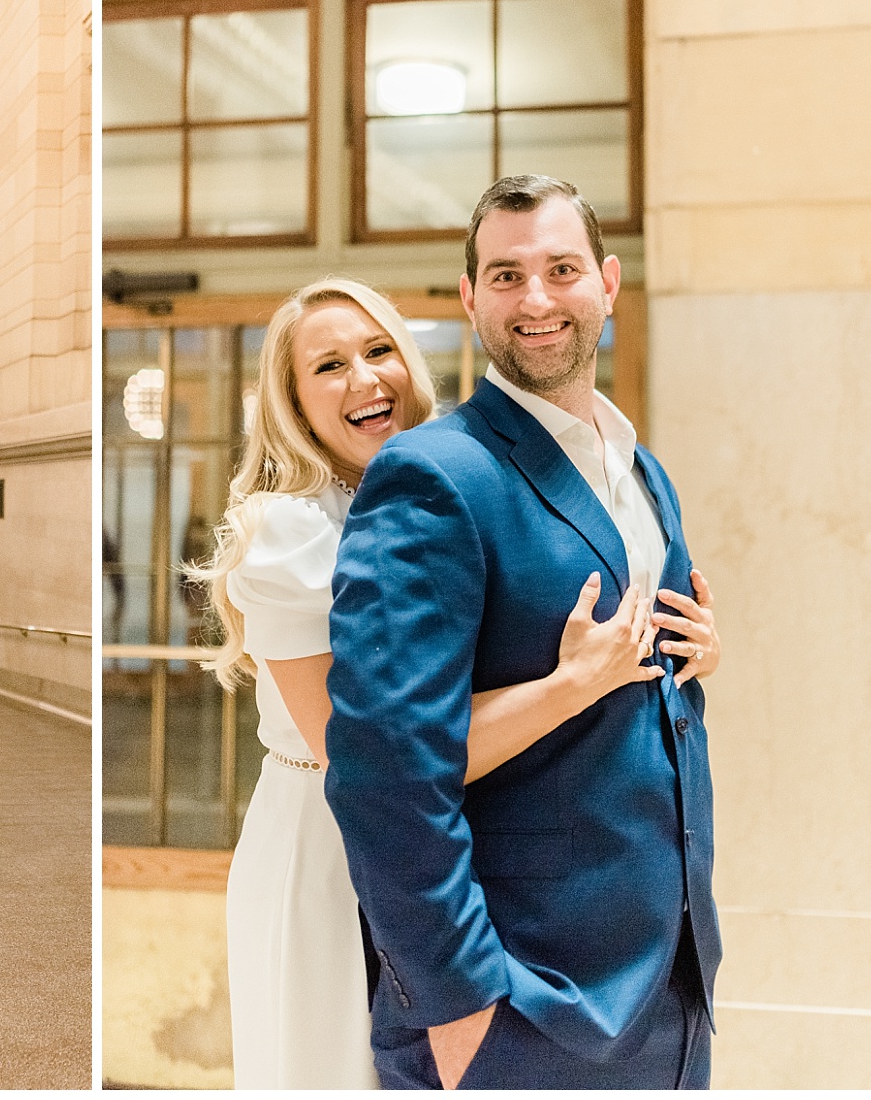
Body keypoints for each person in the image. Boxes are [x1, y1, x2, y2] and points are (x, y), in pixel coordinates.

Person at [193, 278, 669, 1089]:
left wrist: (686, 652)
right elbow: (366, 756)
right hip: (331, 845)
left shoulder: (457, 491)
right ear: (295, 404)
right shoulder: (292, 532)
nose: (365, 379)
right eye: (329, 366)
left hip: (459, 839)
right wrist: (572, 684)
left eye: (379, 350)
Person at [326, 176, 723, 1089]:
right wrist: (462, 1006)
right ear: (470, 297)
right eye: (505, 275)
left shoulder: (641, 471)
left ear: (608, 283)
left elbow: (644, 669)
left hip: (669, 988)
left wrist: (700, 654)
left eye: (560, 269)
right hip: (522, 1004)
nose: (536, 299)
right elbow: (384, 769)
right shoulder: (432, 475)